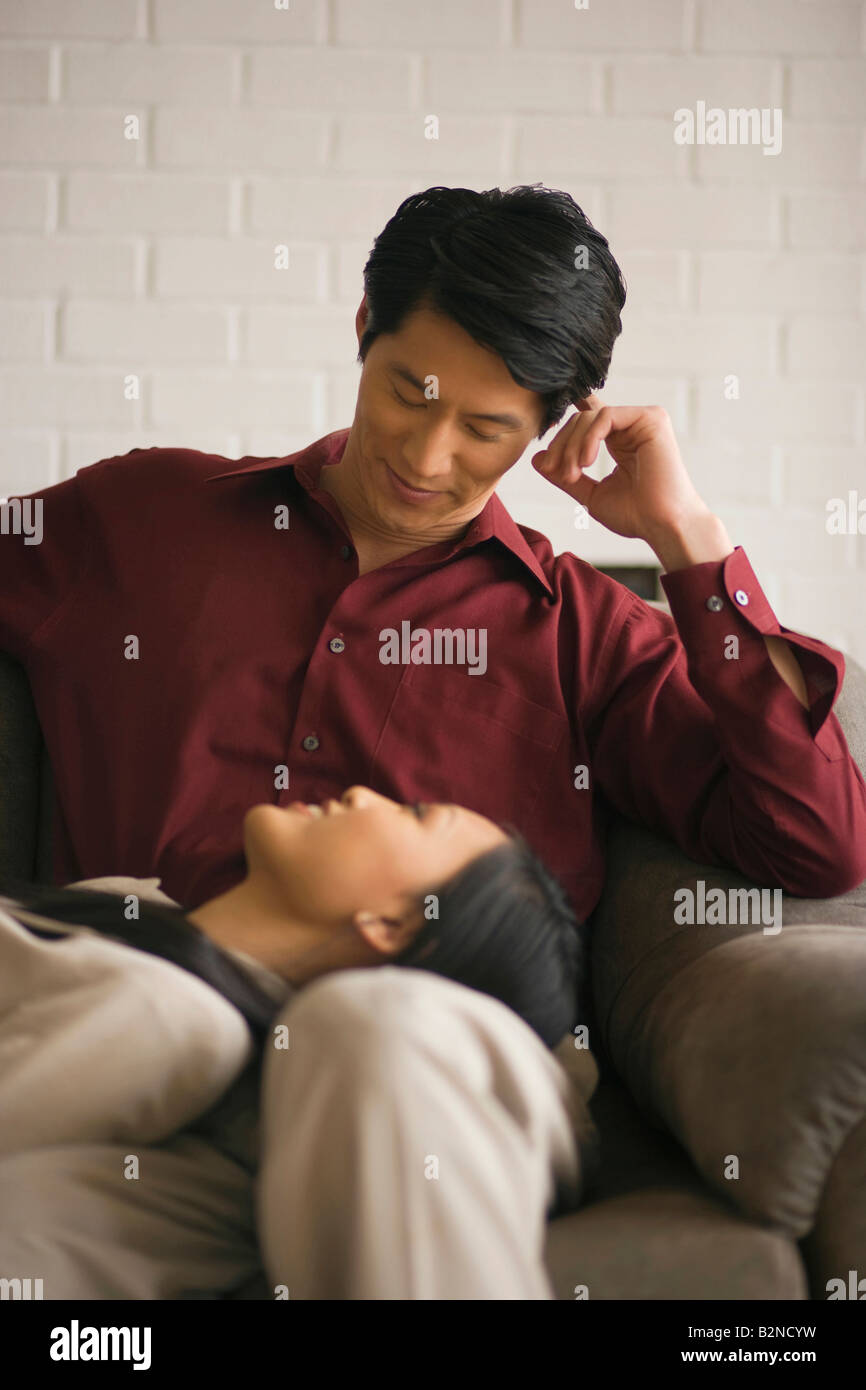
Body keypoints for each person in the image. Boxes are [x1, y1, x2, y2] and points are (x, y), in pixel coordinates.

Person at [1, 183, 863, 1298]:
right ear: (363, 325)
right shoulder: (143, 518)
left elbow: (816, 840)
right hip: (147, 1078)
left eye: (486, 427)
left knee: (372, 1026)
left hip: (438, 1061)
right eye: (408, 390)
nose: (425, 449)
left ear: (551, 424)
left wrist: (685, 537)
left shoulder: (583, 633)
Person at [0, 787, 596, 1300]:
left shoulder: (174, 1018)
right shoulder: (126, 905)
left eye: (415, 813)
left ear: (392, 925)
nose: (365, 795)